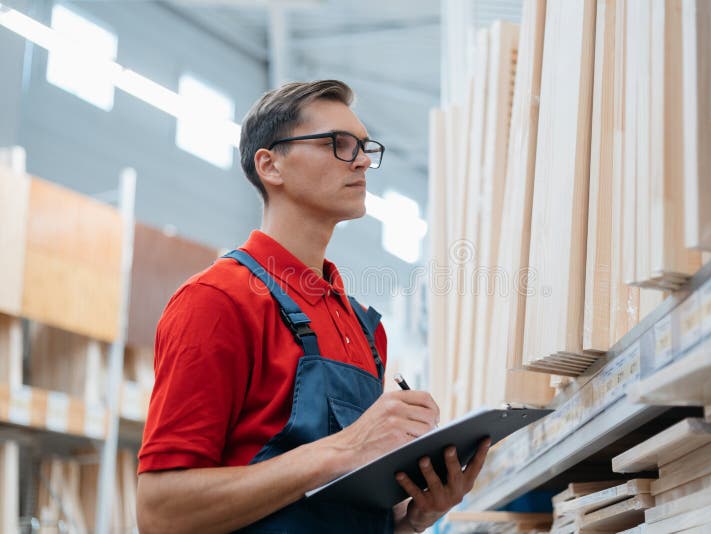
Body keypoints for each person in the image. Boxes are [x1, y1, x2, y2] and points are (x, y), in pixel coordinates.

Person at [136, 80, 490, 533]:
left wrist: (412, 518)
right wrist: (344, 449)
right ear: (271, 165)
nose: (362, 160)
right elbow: (160, 513)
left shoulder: (363, 327)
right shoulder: (218, 301)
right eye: (336, 145)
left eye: (364, 147)